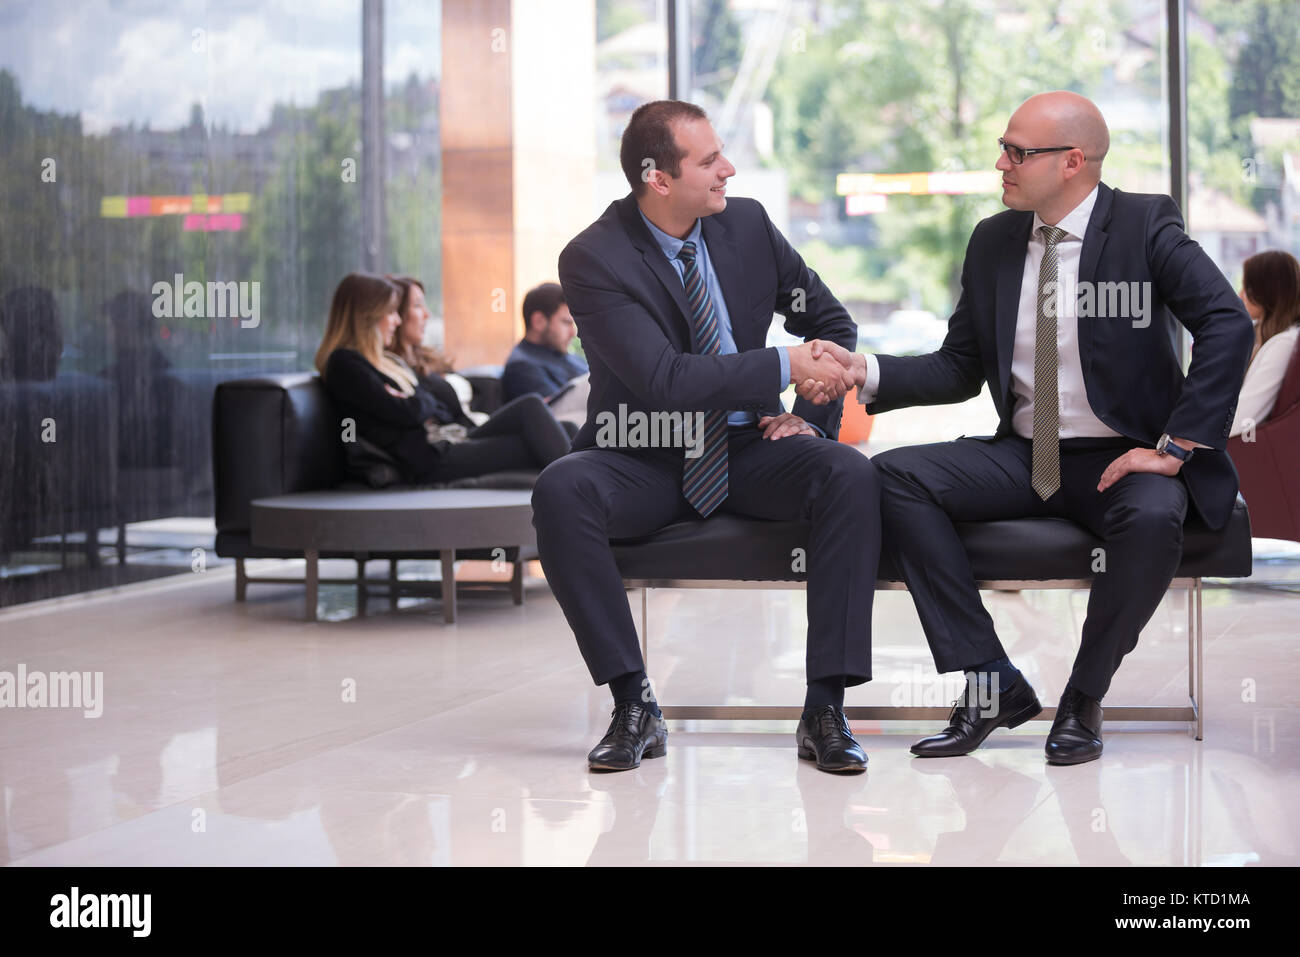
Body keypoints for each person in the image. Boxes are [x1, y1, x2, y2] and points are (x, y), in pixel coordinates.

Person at [812, 91, 1254, 765]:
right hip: (1027, 455)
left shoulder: (1144, 225)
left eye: (1017, 151)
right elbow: (959, 366)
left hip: (1121, 458)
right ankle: (991, 681)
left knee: (1153, 515)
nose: (1001, 163)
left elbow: (1228, 323)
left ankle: (1082, 697)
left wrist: (1176, 446)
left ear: (1073, 161)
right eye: (1004, 147)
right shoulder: (994, 241)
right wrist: (862, 369)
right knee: (896, 475)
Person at [532, 99, 878, 774]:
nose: (730, 168)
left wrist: (810, 414)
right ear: (658, 178)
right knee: (562, 487)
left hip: (751, 450)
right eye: (710, 159)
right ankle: (634, 702)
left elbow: (831, 322)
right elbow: (664, 379)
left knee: (848, 472)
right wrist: (783, 365)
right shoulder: (594, 258)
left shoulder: (746, 225)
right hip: (645, 454)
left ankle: (825, 707)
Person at [316, 272, 571, 485]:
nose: (396, 320)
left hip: (446, 440)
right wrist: (414, 401)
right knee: (538, 424)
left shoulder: (384, 362)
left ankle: (587, 499)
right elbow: (408, 411)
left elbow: (420, 402)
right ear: (368, 315)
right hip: (431, 458)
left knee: (555, 422)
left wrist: (414, 400)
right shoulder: (345, 363)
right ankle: (587, 502)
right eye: (390, 312)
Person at [1229, 250, 1300, 437]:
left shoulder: (1283, 344)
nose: (1240, 294)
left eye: (1247, 288)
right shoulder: (1271, 338)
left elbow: (1244, 417)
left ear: (1265, 292)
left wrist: (1186, 440)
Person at [501, 282, 588, 403]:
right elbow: (561, 413)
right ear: (539, 321)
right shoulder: (523, 367)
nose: (573, 333)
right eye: (566, 323)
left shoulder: (567, 356)